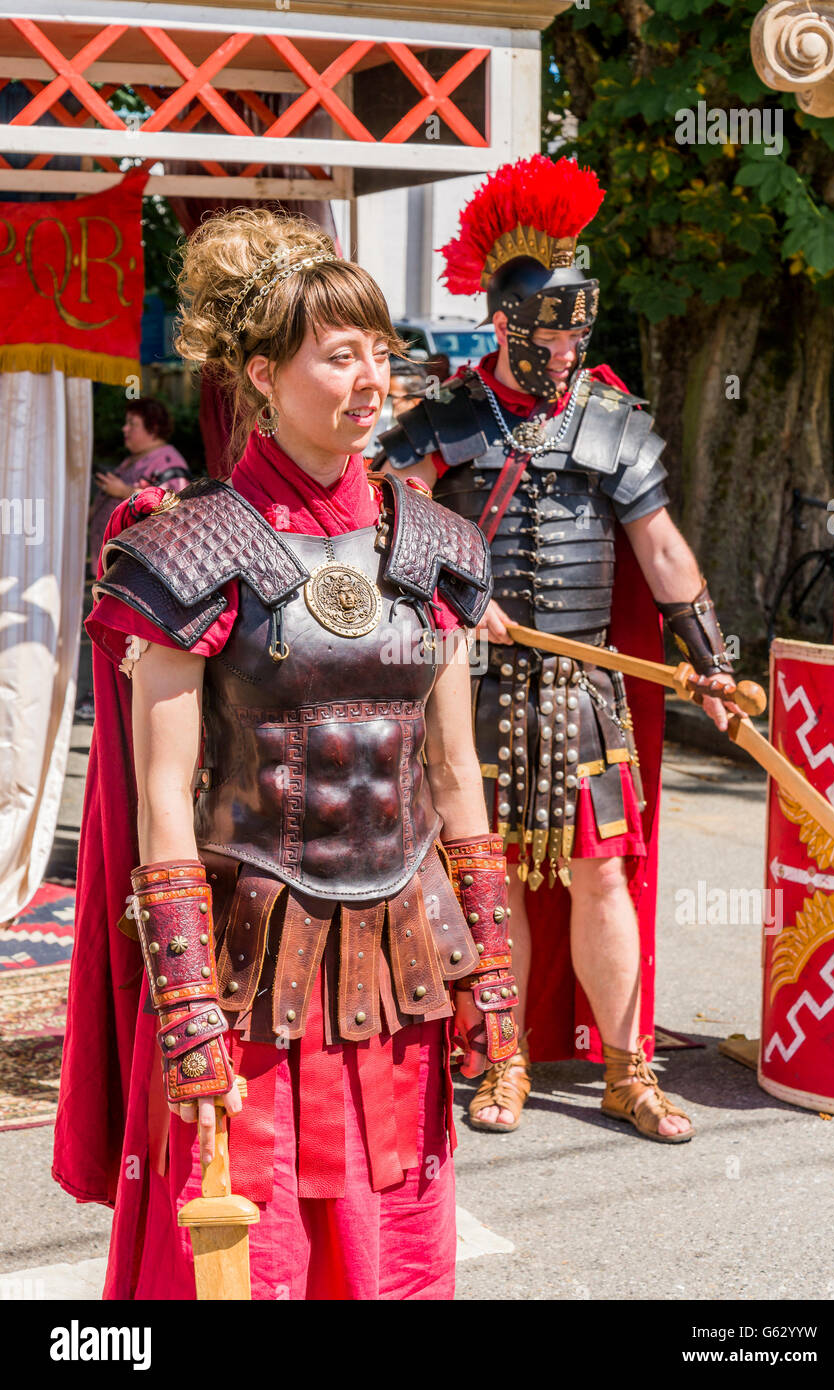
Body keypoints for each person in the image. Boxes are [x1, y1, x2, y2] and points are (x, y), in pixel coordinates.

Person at [53, 209, 517, 1301]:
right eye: (339, 352)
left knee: (392, 1253)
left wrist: (491, 973)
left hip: (403, 970)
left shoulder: (436, 547)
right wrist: (183, 1010)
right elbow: (162, 791)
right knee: (249, 1264)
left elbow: (454, 775)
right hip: (245, 979)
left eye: (380, 351)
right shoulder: (182, 549)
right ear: (263, 372)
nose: (372, 377)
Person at [377, 155, 738, 1142]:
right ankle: (502, 1060)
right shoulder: (444, 416)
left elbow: (659, 548)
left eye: (580, 332)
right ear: (506, 325)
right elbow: (382, 522)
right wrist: (458, 586)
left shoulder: (613, 420)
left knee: (601, 872)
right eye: (551, 333)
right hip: (471, 687)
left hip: (584, 689)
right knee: (485, 872)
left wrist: (712, 654)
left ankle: (629, 1071)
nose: (569, 352)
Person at [88, 398, 191, 577]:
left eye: (132, 424)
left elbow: (175, 511)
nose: (124, 428)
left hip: (140, 570)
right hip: (118, 565)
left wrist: (123, 491)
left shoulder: (168, 462)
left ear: (153, 428)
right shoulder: (133, 458)